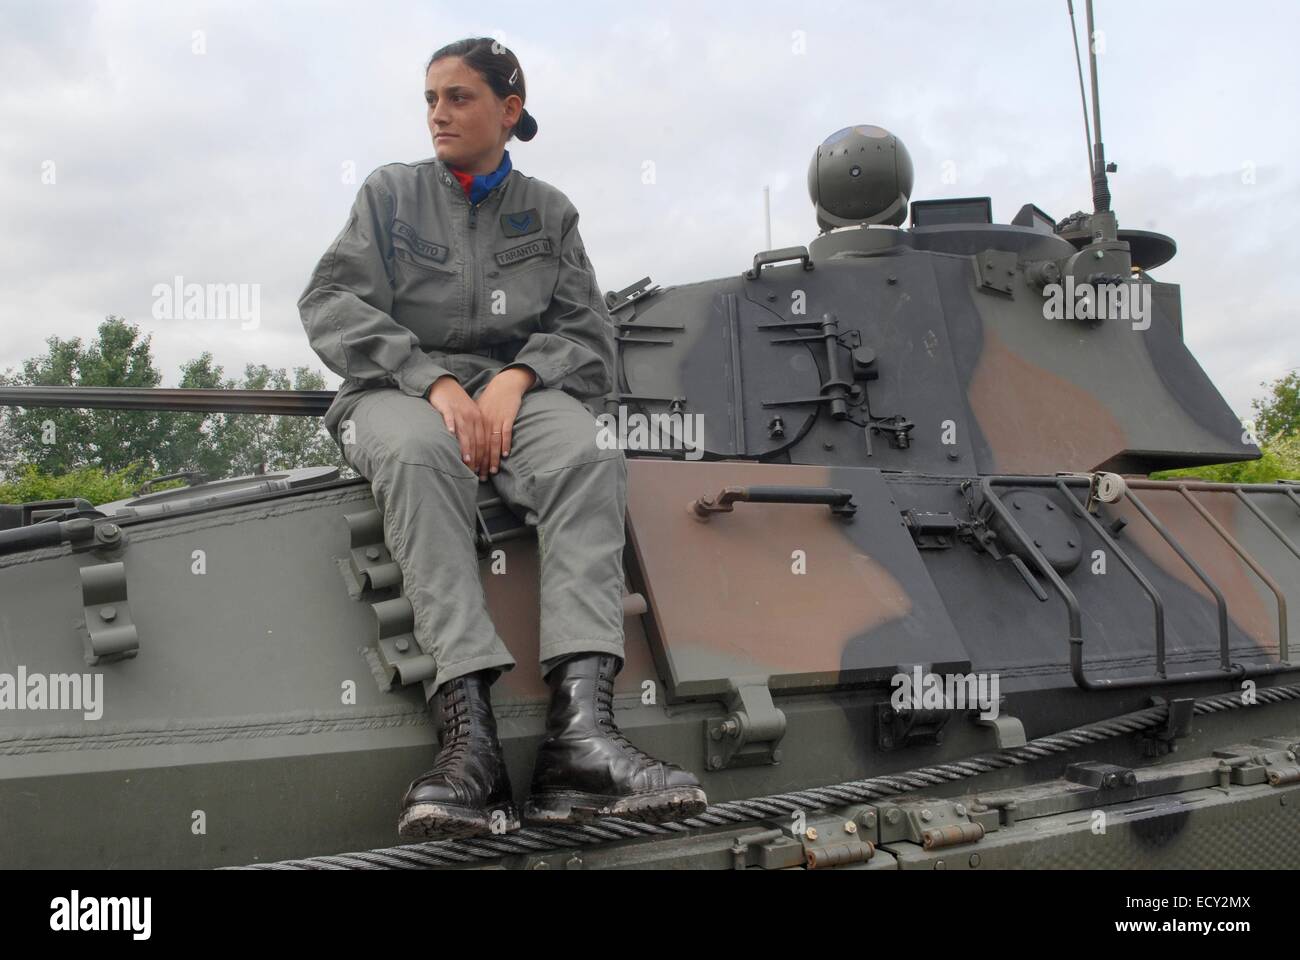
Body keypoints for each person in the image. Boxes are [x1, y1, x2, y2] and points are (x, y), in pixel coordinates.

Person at [298, 37, 706, 842]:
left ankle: (581, 741)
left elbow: (588, 335)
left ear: (508, 111)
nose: (438, 114)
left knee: (589, 455)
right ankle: (468, 741)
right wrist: (433, 382)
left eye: (458, 98)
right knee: (418, 455)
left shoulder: (548, 212)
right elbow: (331, 304)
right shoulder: (391, 195)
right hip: (399, 388)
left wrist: (518, 379)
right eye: (430, 99)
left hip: (519, 386)